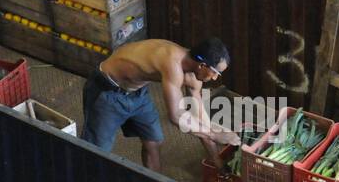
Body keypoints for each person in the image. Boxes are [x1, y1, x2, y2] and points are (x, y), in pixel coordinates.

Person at [81, 38, 240, 172]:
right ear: (202, 65)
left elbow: (200, 117)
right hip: (107, 91)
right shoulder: (172, 63)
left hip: (138, 92)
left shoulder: (194, 75)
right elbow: (176, 116)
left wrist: (217, 161)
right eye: (216, 73)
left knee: (153, 140)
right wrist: (215, 135)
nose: (214, 79)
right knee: (97, 153)